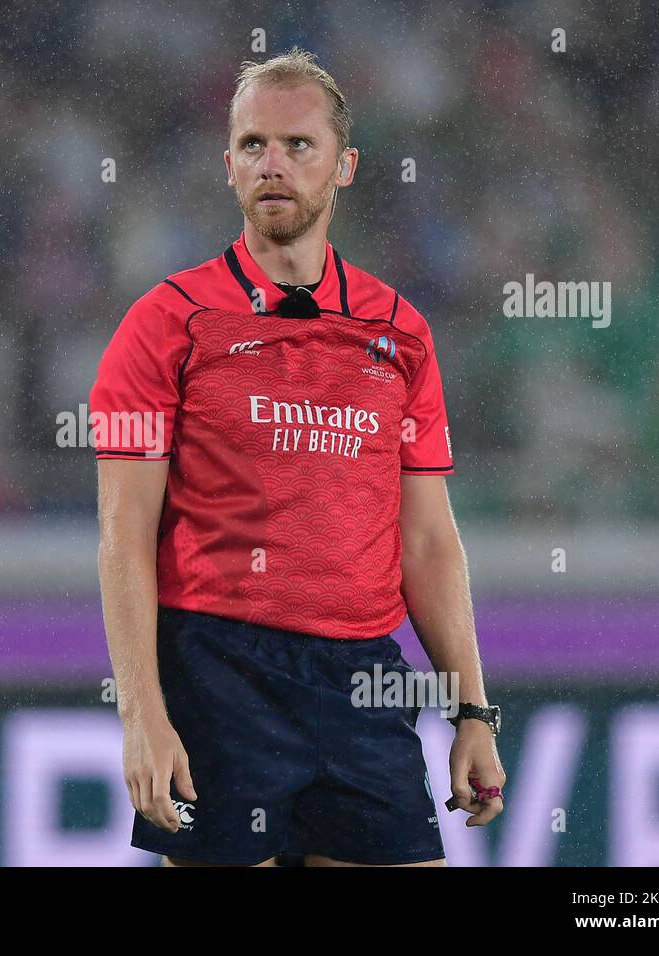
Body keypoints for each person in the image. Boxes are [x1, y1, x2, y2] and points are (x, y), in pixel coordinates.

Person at [90, 47, 505, 867]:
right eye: (252, 146)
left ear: (345, 165)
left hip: (363, 680)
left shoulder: (402, 335)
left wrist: (474, 713)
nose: (271, 164)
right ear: (228, 165)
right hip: (217, 672)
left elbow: (426, 542)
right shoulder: (163, 324)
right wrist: (142, 716)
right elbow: (123, 534)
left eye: (296, 145)